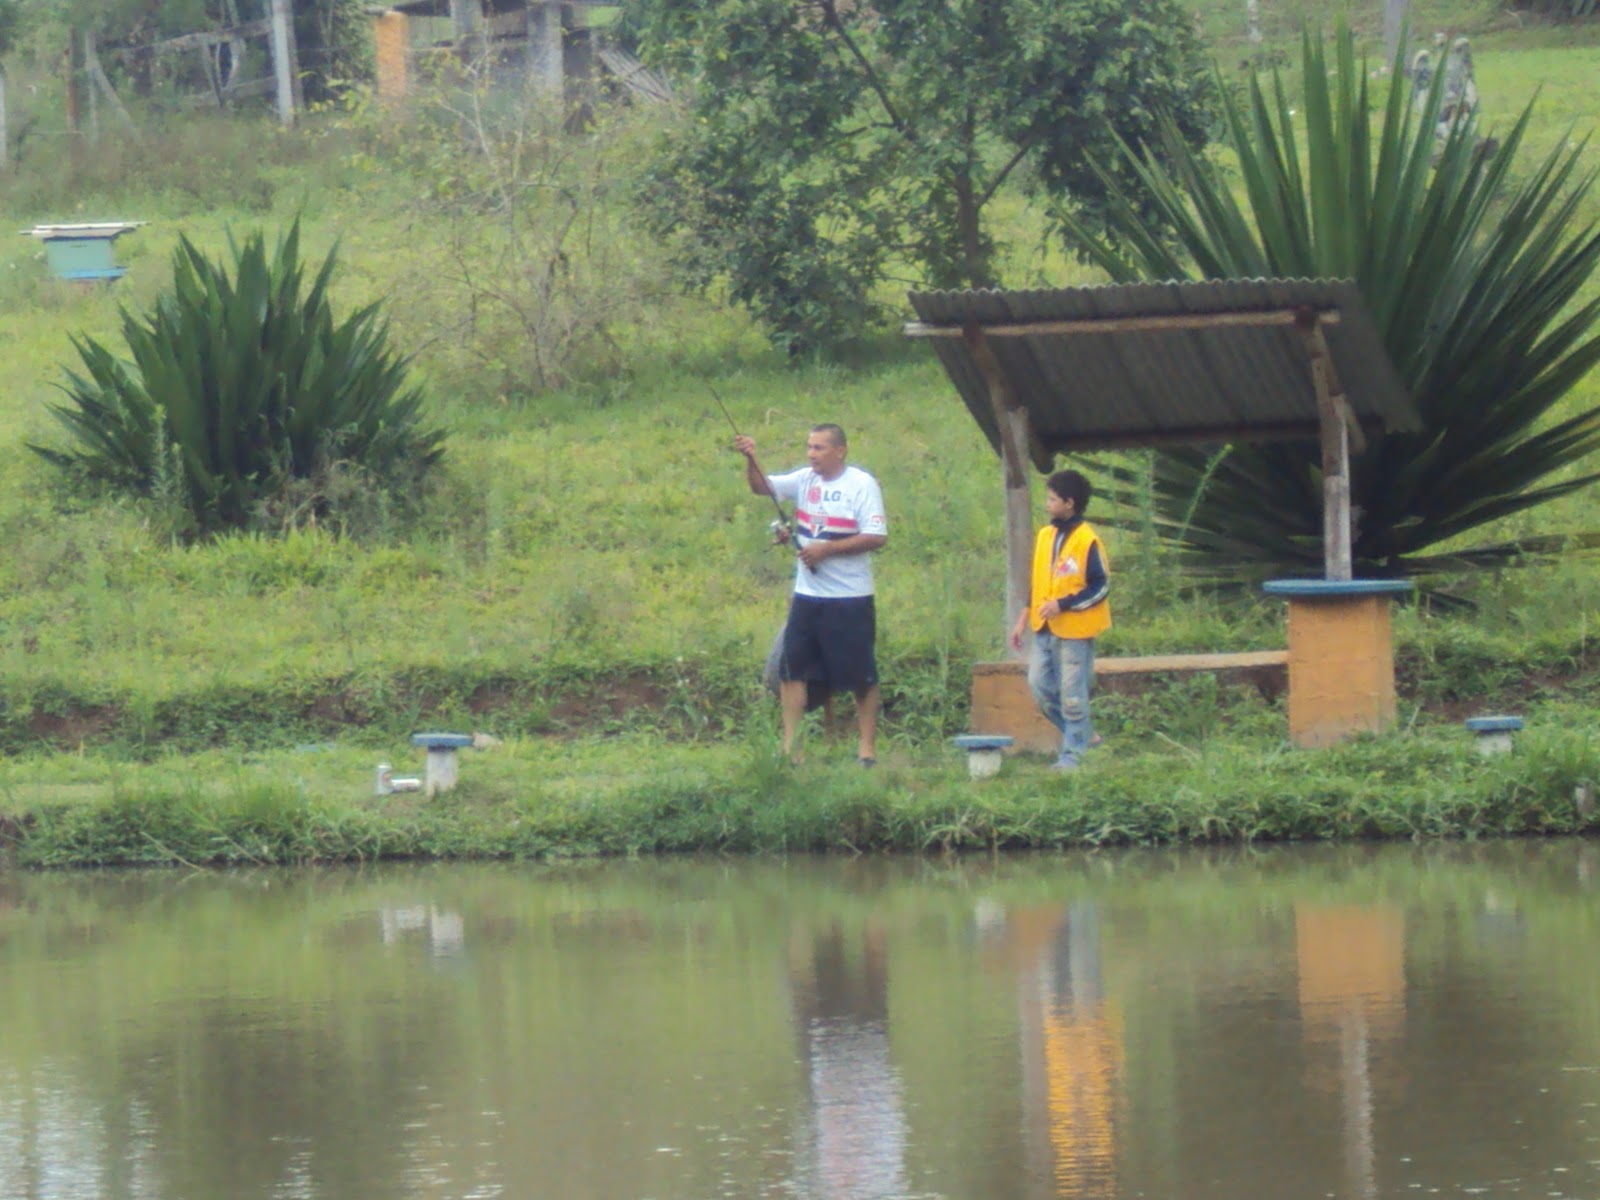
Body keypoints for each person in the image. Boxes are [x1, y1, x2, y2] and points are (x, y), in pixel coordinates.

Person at [735, 425, 887, 764]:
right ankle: (792, 749)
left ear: (840, 450)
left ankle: (866, 749)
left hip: (851, 596)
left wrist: (826, 550)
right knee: (793, 669)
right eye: (809, 447)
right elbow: (762, 487)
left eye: (819, 448)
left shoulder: (861, 484)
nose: (811, 454)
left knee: (861, 674)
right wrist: (751, 458)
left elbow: (876, 536)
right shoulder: (805, 480)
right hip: (807, 595)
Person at [1009, 469, 1110, 771]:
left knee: (1073, 693)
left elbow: (1100, 586)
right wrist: (1023, 618)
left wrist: (1064, 605)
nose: (1047, 504)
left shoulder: (1087, 540)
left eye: (1053, 499)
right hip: (1044, 628)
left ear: (1069, 503)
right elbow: (1039, 582)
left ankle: (1073, 755)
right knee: (1040, 686)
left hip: (1075, 631)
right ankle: (1084, 737)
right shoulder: (1045, 536)